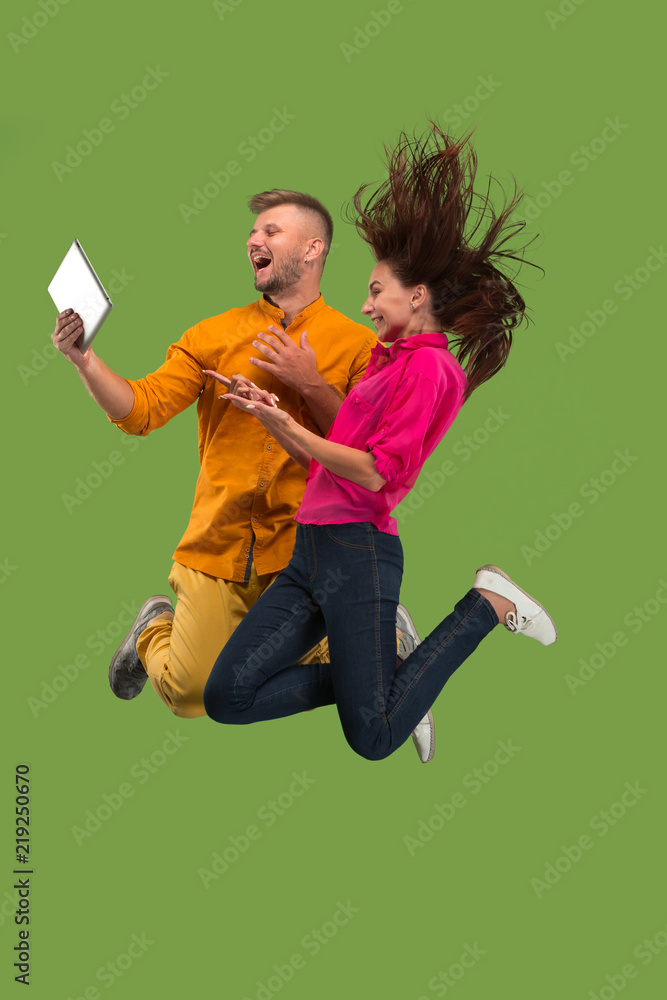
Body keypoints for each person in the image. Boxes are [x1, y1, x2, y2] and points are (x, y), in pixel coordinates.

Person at [203, 127, 558, 763]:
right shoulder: (386, 360)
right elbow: (336, 451)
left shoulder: (433, 370)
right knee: (227, 696)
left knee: (373, 737)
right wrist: (271, 410)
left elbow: (374, 474)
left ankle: (487, 603)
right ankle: (391, 675)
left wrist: (293, 428)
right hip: (311, 548)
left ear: (415, 297)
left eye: (375, 291)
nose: (366, 306)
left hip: (357, 553)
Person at [50, 191, 387, 720]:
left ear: (313, 248)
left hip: (304, 553)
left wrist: (310, 383)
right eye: (253, 232)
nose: (254, 240)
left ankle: (371, 640)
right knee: (193, 697)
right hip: (217, 546)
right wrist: (85, 360)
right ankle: (154, 628)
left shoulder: (360, 346)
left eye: (271, 231)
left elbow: (364, 458)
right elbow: (141, 410)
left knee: (253, 682)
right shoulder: (211, 335)